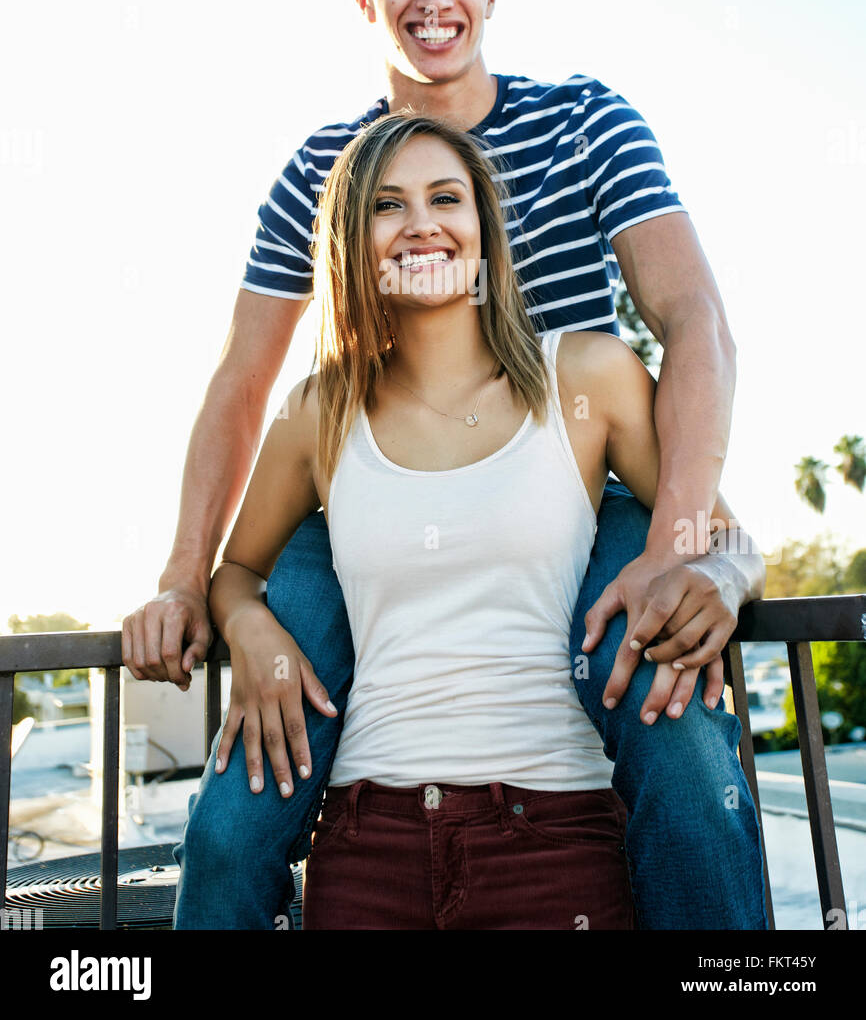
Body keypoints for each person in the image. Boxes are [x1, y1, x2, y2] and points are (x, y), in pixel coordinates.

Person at [122, 0, 769, 928]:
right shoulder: (320, 171)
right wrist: (191, 584)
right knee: (234, 813)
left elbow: (693, 318)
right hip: (364, 506)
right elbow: (243, 379)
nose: (435, 0)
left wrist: (677, 537)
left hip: (574, 478)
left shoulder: (584, 122)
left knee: (680, 745)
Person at [202, 111, 763, 930]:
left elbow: (730, 538)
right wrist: (246, 624)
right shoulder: (316, 413)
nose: (422, 224)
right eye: (387, 206)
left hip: (554, 839)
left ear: (484, 228)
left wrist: (719, 575)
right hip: (367, 845)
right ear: (353, 242)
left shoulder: (591, 377)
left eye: (446, 198)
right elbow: (237, 572)